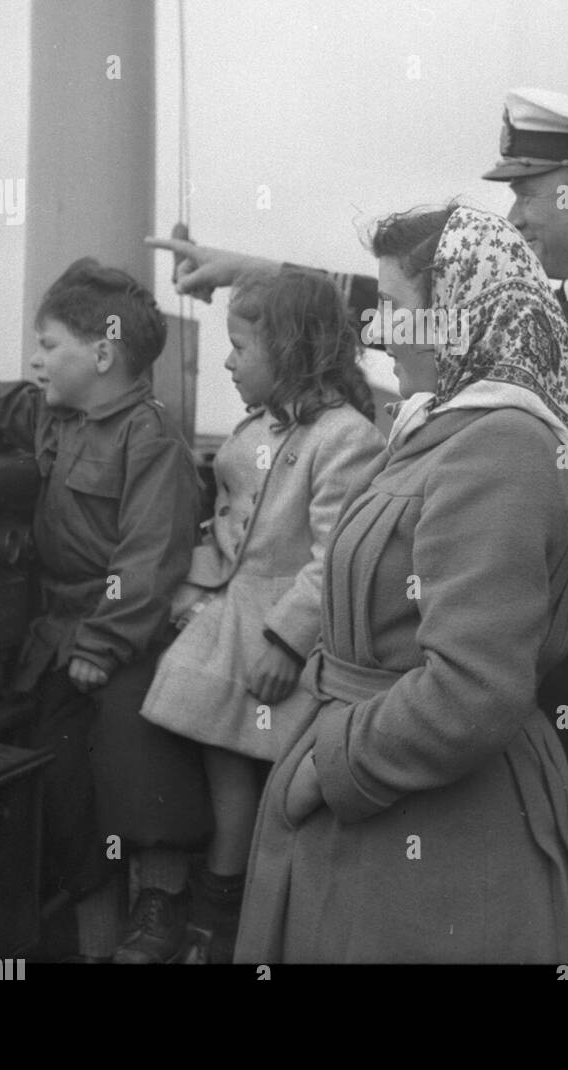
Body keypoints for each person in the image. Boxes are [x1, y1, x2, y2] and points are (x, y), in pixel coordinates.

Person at [149, 85, 568, 964]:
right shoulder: (530, 319)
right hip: (506, 711)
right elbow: (411, 306)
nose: (513, 214)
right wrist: (250, 267)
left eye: (527, 190)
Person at [233, 204, 568, 962]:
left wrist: (324, 768)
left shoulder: (499, 446)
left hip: (434, 836)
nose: (377, 335)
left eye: (398, 312)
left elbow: (473, 690)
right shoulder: (436, 428)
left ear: (465, 316)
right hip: (391, 801)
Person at [0, 258, 211, 963]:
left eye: (49, 346)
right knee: (65, 793)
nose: (34, 361)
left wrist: (102, 644)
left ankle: (163, 899)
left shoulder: (149, 439)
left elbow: (149, 558)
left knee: (138, 759)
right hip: (57, 635)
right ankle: (97, 935)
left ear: (101, 354)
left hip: (130, 633)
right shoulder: (47, 411)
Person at [139, 269, 384, 963]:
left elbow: (334, 557)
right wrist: (194, 590)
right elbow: (227, 529)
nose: (227, 361)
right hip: (227, 616)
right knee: (215, 774)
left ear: (292, 350)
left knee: (264, 789)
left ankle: (235, 923)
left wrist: (286, 641)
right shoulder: (256, 429)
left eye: (240, 347)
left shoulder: (345, 439)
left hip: (282, 639)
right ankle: (209, 910)